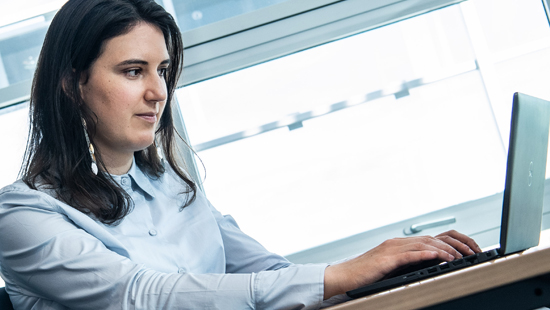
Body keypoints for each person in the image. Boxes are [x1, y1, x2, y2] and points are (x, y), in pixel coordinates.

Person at [0, 0, 482, 309]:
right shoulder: (22, 215)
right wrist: (336, 276)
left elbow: (272, 277)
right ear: (72, 84)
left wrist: (378, 272)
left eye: (162, 70)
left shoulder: (169, 184)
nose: (158, 92)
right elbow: (141, 296)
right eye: (132, 71)